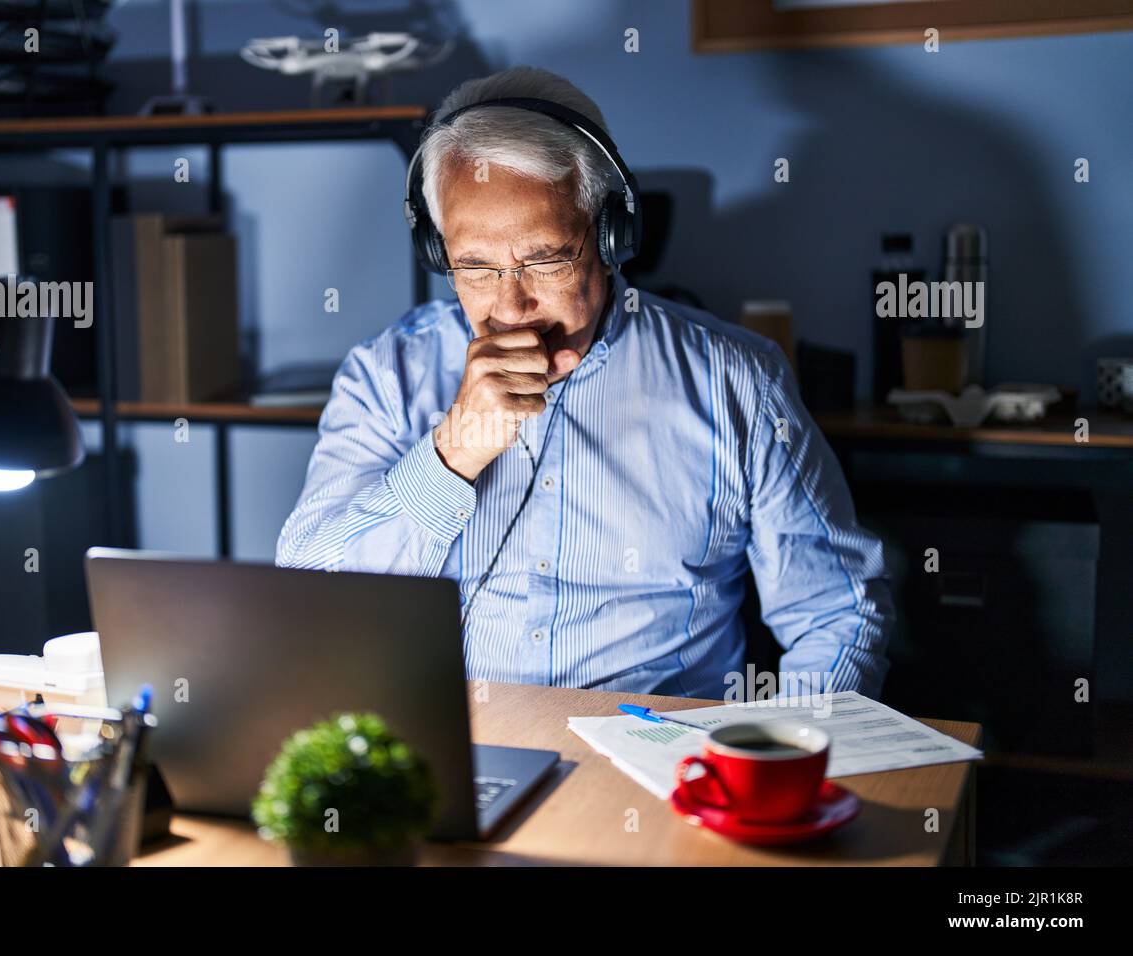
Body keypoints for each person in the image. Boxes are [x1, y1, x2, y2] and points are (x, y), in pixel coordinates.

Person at [278, 66, 892, 699]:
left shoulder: (739, 381)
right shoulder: (385, 376)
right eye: (477, 268)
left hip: (661, 767)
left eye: (544, 260)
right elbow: (312, 600)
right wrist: (452, 454)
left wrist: (779, 769)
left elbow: (837, 614)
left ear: (609, 234)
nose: (512, 308)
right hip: (453, 762)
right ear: (441, 254)